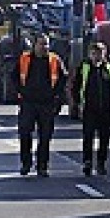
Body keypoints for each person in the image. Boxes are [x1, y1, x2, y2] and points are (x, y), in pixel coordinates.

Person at [13, 33, 68, 177]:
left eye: (46, 44)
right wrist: (21, 92)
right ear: (34, 44)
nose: (44, 47)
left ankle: (42, 166)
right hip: (28, 103)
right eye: (41, 44)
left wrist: (58, 98)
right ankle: (26, 163)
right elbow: (14, 77)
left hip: (47, 104)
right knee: (25, 133)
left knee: (45, 137)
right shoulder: (24, 58)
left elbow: (63, 80)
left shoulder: (55, 60)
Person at [72, 41, 110, 176]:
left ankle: (101, 163)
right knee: (88, 136)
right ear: (90, 54)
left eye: (100, 53)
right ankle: (87, 162)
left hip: (106, 109)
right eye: (94, 53)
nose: (97, 56)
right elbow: (76, 86)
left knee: (104, 138)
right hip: (89, 108)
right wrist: (77, 103)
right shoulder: (84, 67)